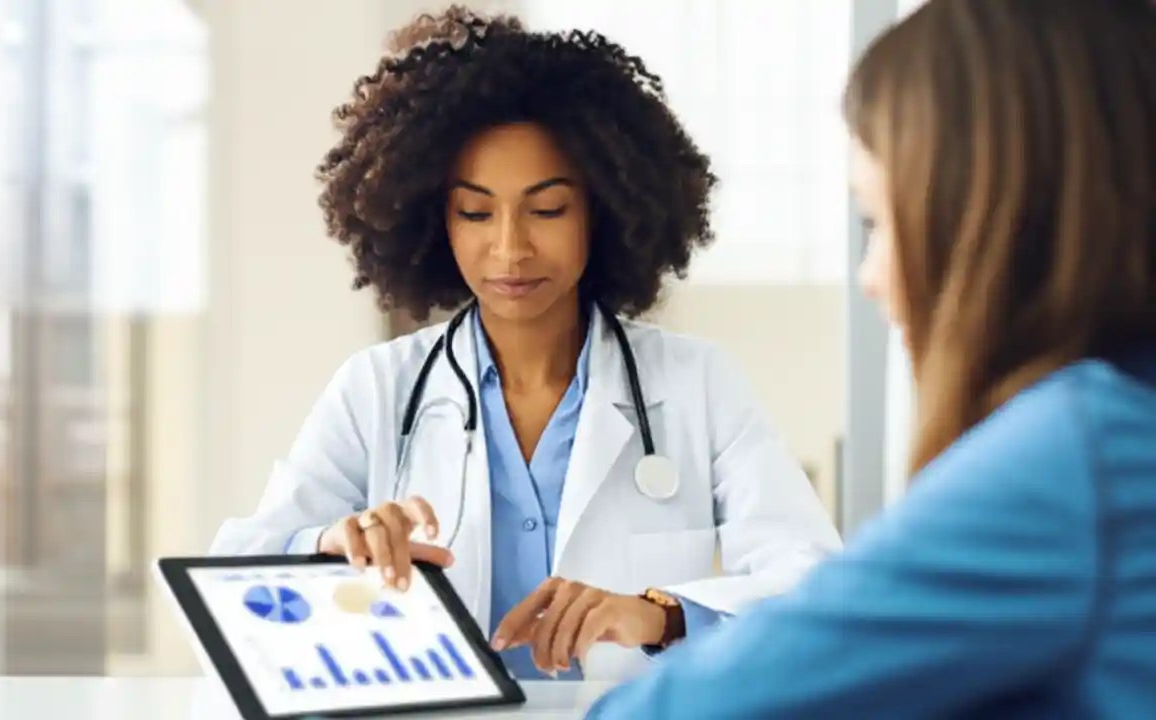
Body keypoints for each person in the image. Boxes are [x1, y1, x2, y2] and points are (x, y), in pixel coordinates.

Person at [209, 6, 840, 681]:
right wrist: (328, 544)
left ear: (604, 209)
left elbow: (814, 584)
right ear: (432, 218)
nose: (510, 248)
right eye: (475, 213)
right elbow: (235, 578)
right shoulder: (377, 390)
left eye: (547, 210)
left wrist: (659, 613)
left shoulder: (697, 383)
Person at [586, 0, 1156, 716]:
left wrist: (666, 612)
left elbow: (693, 704)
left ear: (991, 217)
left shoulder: (1077, 457)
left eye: (878, 222)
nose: (871, 275)